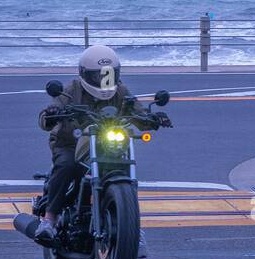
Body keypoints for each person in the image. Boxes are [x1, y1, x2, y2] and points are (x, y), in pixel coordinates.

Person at [35, 44, 163, 244]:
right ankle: (49, 219)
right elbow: (46, 116)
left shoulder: (120, 89)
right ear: (85, 74)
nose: (104, 80)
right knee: (68, 165)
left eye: (109, 75)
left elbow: (136, 110)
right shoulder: (71, 90)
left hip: (106, 143)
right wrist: (51, 115)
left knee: (123, 168)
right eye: (98, 76)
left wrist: (153, 119)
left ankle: (132, 227)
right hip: (71, 143)